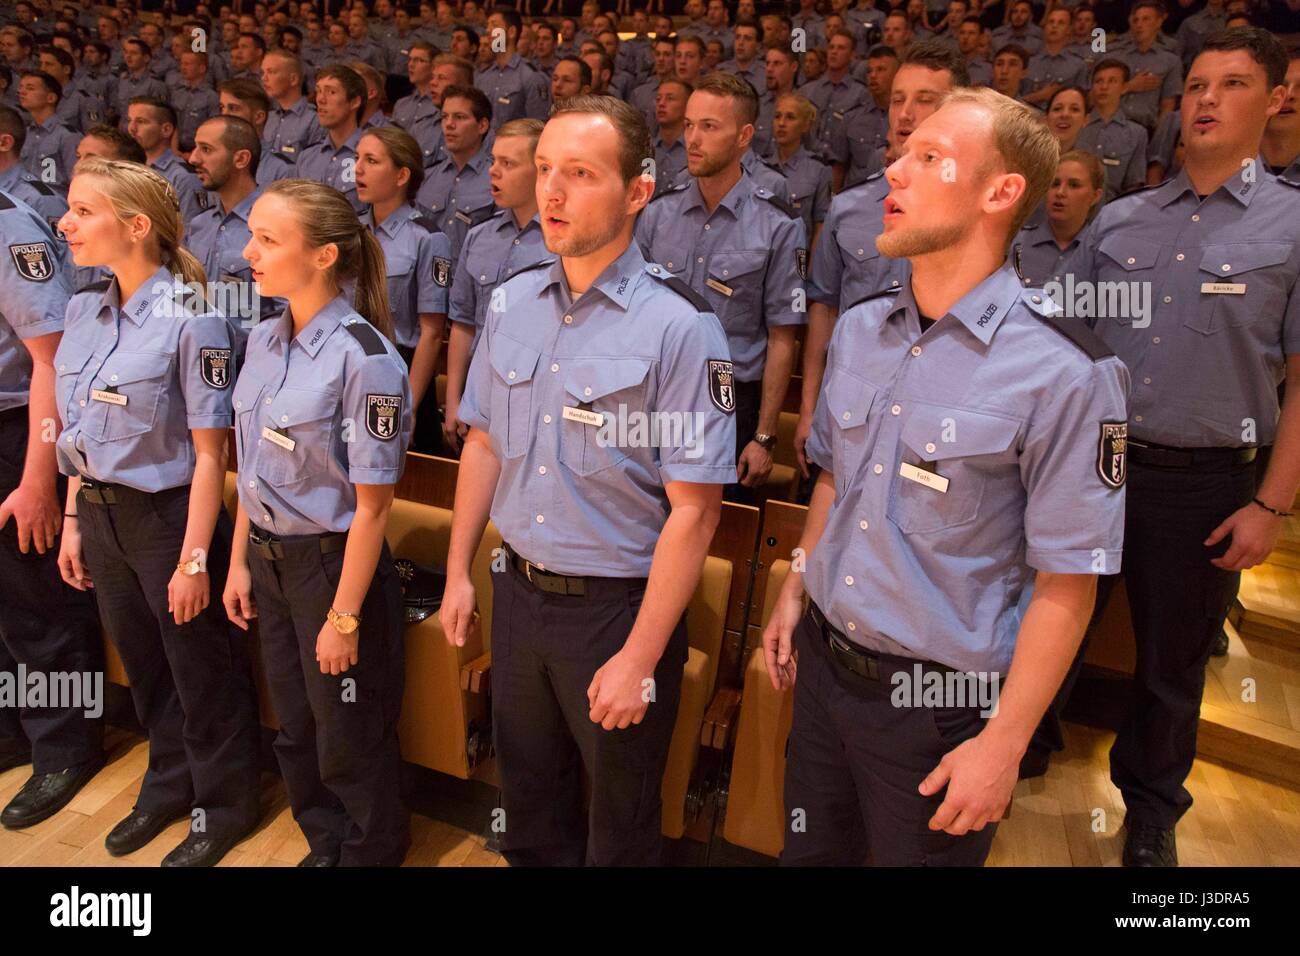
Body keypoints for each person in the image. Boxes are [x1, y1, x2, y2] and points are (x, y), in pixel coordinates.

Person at [765, 86, 1128, 867]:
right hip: (826, 675)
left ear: (1002, 194)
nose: (893, 170)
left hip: (939, 705)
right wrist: (797, 584)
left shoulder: (1065, 372)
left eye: (928, 158)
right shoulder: (864, 330)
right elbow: (833, 479)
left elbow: (1068, 581)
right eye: (902, 153)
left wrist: (1005, 743)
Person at [439, 95, 736, 866]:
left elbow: (695, 515)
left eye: (580, 173)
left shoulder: (681, 326)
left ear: (638, 192)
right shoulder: (511, 302)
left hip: (616, 610)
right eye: (544, 171)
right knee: (529, 804)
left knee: (620, 824)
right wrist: (459, 573)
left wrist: (639, 658)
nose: (553, 193)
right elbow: (482, 443)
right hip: (519, 593)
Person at [1062, 27, 1300, 867]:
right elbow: (1068, 354)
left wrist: (1271, 504)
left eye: (1232, 85)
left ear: (1276, 99)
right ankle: (1018, 750)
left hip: (1204, 484)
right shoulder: (1120, 220)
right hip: (1097, 468)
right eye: (1197, 84)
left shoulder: (1293, 225)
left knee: (1170, 668)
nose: (1205, 100)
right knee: (1048, 625)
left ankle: (1152, 811)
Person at [53, 157, 261, 866]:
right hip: (104, 516)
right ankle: (170, 783)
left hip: (171, 520)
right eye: (69, 210)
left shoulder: (193, 320)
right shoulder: (85, 309)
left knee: (201, 672)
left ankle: (226, 801)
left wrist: (194, 558)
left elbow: (212, 455)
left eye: (84, 212)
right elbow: (80, 429)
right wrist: (77, 520)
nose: (65, 224)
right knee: (146, 667)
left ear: (136, 227)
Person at [223, 178, 412, 867]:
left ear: (325, 255)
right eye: (253, 235)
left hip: (332, 567)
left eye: (269, 240)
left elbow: (373, 505)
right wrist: (242, 560)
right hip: (272, 562)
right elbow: (252, 468)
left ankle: (370, 852)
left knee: (347, 732)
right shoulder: (265, 339)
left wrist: (344, 617)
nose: (249, 252)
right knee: (298, 730)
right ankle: (324, 844)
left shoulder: (365, 359)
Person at [636, 72, 807, 504]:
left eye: (709, 127)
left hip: (731, 402)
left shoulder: (777, 224)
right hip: (657, 392)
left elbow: (782, 337)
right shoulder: (659, 212)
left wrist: (765, 436)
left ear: (744, 136)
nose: (693, 138)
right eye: (690, 125)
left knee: (717, 532)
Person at [798, 42, 967, 478]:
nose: (906, 113)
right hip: (852, 408)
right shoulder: (850, 208)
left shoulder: (974, 219)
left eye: (925, 100)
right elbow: (824, 310)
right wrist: (809, 409)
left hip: (936, 416)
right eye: (897, 100)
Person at [0, 189, 105, 830]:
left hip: (17, 429)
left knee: (39, 603)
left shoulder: (11, 227)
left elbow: (50, 356)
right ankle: (12, 728)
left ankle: (66, 746)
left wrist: (41, 478)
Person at [445, 118, 550, 454]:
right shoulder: (479, 236)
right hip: (482, 393)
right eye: (493, 160)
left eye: (508, 164)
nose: (493, 171)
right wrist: (454, 402)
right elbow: (462, 325)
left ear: (540, 172)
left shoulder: (561, 244)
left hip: (538, 397)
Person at [355, 126, 451, 455]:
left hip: (402, 371)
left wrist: (405, 407)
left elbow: (432, 333)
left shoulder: (427, 237)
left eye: (371, 160)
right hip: (352, 365)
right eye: (358, 158)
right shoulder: (351, 232)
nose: (358, 169)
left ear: (401, 176)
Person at [187, 115, 275, 356]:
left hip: (252, 364)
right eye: (195, 148)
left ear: (241, 159)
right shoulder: (199, 225)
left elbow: (288, 309)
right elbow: (185, 296)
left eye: (206, 149)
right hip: (198, 362)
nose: (194, 158)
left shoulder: (273, 224)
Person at [416, 85, 495, 265]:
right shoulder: (429, 177)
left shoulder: (496, 179)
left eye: (459, 117)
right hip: (429, 278)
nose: (449, 124)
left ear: (482, 125)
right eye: (445, 117)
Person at [1013, 149, 1104, 288]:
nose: (1060, 192)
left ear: (1095, 196)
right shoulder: (1017, 242)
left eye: (1074, 185)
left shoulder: (1100, 254)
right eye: (1055, 184)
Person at [294, 64, 367, 214]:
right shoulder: (307, 157)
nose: (320, 99)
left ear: (354, 102)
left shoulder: (372, 157)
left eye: (331, 92)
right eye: (318, 91)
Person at [1077, 58, 1150, 200]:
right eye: (1098, 81)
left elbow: (1134, 184)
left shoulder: (1137, 134)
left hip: (1112, 208)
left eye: (1112, 81)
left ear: (1124, 87)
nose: (1104, 87)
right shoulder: (1077, 125)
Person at [767, 93, 832, 249]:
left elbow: (820, 226)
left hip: (798, 254)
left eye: (790, 117)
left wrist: (809, 272)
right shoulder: (760, 167)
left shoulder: (818, 170)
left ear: (805, 126)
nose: (781, 123)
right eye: (777, 116)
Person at [475, 6, 549, 129]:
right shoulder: (483, 76)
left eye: (494, 25)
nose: (488, 30)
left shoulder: (530, 76)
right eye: (487, 25)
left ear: (511, 32)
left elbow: (537, 127)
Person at [1045, 84, 1088, 153]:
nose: (1065, 114)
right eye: (1057, 109)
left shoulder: (1090, 161)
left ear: (1086, 119)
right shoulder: (1026, 155)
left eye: (1074, 109)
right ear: (1046, 119)